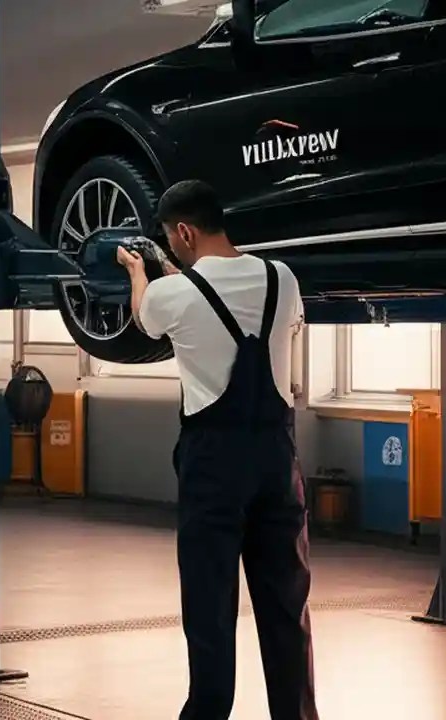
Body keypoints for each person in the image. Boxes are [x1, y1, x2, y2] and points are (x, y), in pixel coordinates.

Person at [117, 180, 318, 720]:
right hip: (279, 463)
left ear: (183, 232)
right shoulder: (284, 278)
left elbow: (145, 316)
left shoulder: (171, 294)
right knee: (286, 610)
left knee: (210, 612)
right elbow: (231, 300)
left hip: (214, 469)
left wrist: (140, 274)